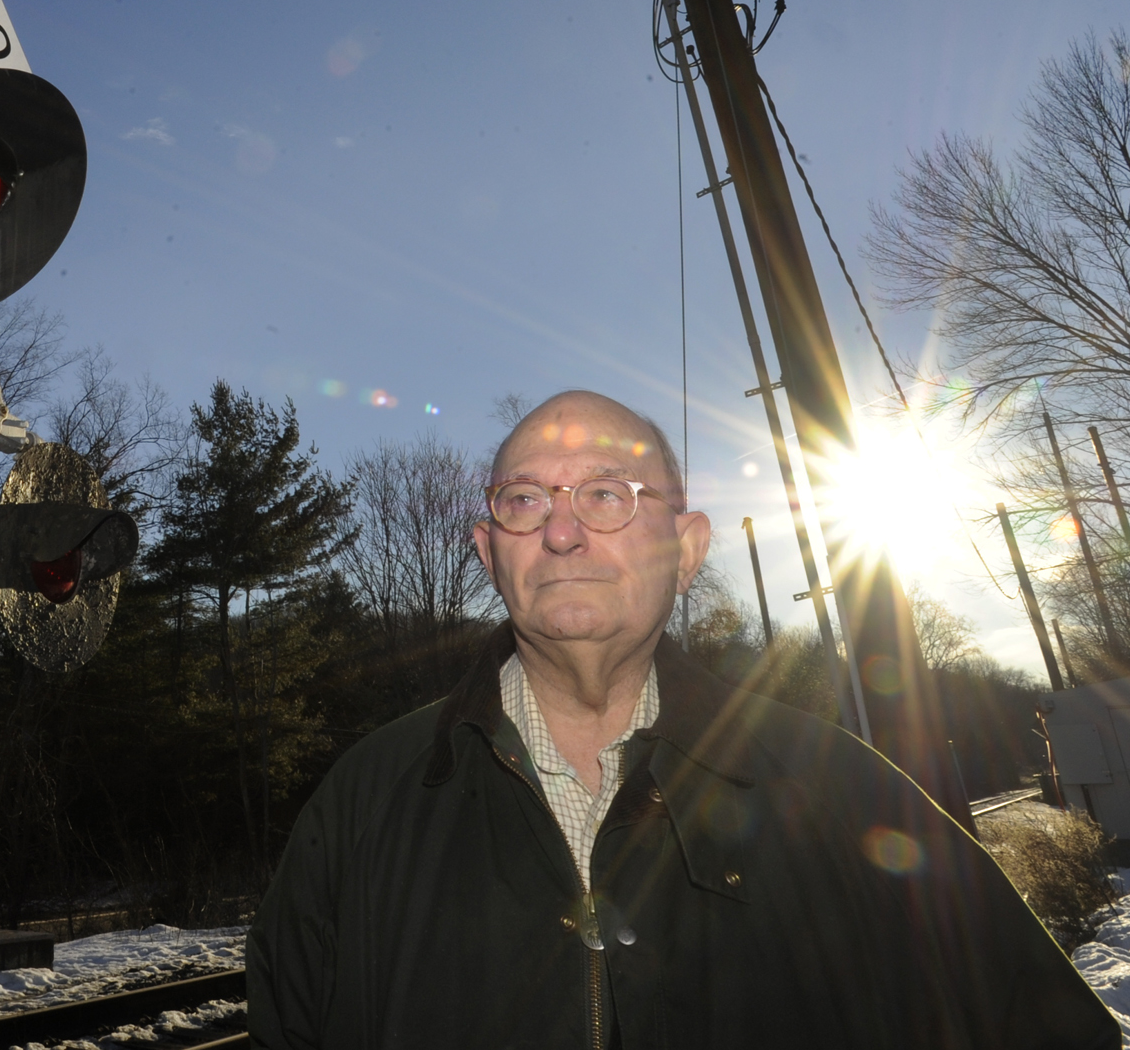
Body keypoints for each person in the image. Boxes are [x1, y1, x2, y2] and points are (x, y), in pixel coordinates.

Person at [247, 389, 1113, 1049]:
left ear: (687, 548)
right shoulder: (363, 804)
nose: (561, 532)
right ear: (488, 551)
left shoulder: (841, 787)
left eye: (607, 494)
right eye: (524, 500)